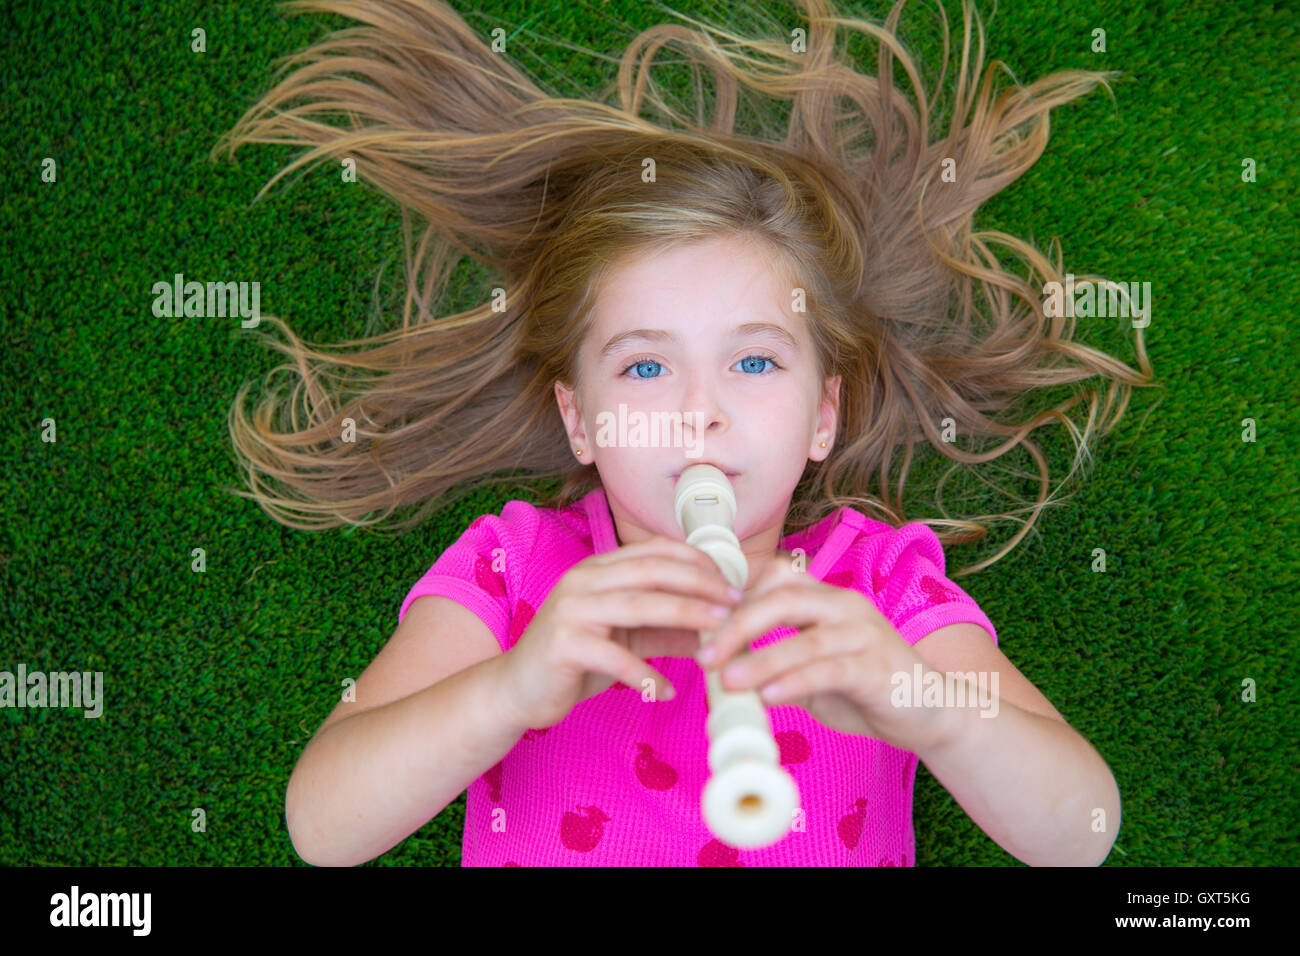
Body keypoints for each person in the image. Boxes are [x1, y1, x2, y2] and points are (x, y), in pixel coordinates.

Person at [214, 0, 1155, 866]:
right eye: (645, 367)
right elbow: (323, 826)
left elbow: (1082, 831)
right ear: (578, 419)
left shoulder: (877, 588)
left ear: (824, 413)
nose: (700, 410)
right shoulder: (515, 572)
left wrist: (924, 705)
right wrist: (509, 690)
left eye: (753, 363)